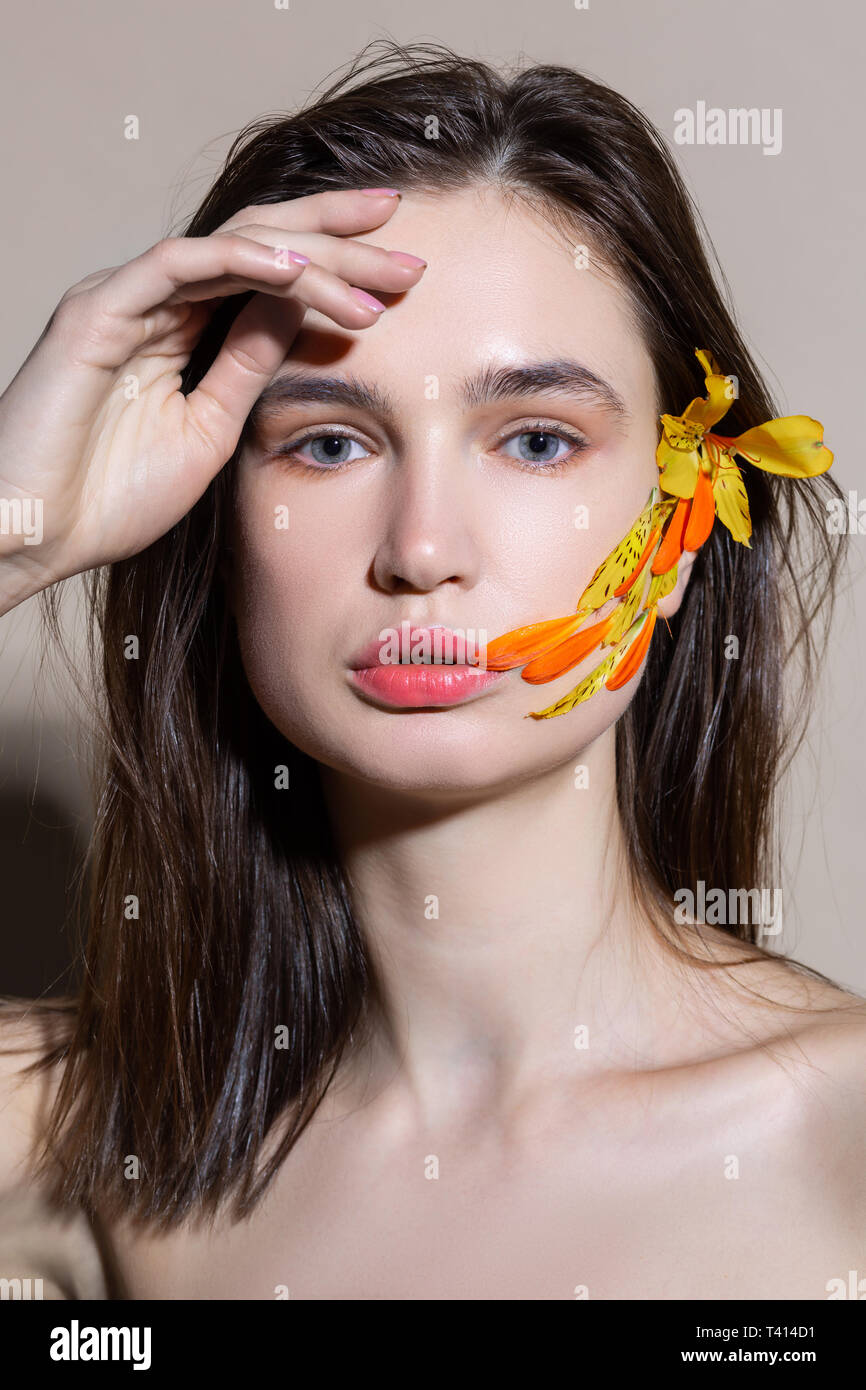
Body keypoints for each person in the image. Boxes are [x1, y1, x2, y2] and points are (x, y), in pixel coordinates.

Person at [0, 40, 863, 1301]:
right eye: (330, 443)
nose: (420, 551)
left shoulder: (837, 1138)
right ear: (221, 520)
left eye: (534, 438)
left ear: (686, 519)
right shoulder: (84, 1130)